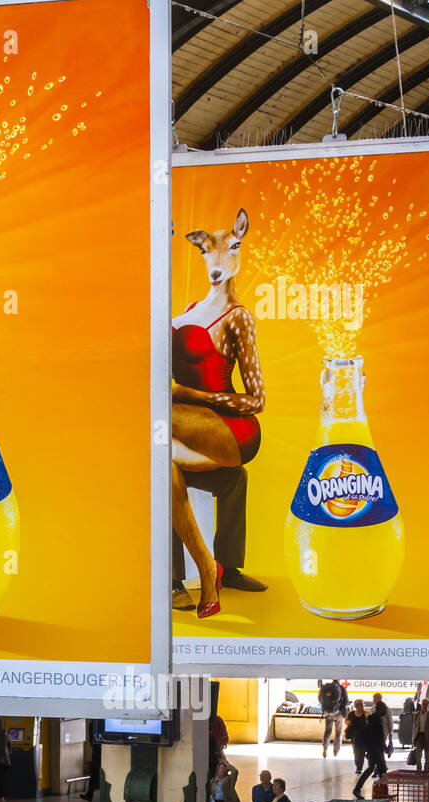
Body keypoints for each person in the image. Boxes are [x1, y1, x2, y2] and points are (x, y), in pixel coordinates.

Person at [170, 209, 266, 619]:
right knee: (163, 471)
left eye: (229, 249)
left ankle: (208, 573)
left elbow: (257, 398)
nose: (217, 260)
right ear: (200, 250)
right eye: (209, 250)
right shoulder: (188, 309)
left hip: (229, 427)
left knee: (154, 432)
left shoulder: (239, 318)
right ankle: (207, 571)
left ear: (238, 249)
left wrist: (192, 394)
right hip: (181, 429)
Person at [170, 466, 267, 609]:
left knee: (236, 476)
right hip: (162, 464)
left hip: (190, 461)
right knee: (167, 479)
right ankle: (172, 583)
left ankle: (228, 570)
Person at [353, 702, 390, 798]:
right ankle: (384, 793)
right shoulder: (377, 721)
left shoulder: (374, 720)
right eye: (384, 709)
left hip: (373, 750)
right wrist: (384, 748)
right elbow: (377, 738)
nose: (386, 711)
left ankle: (357, 789)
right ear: (381, 710)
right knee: (382, 770)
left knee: (371, 769)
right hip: (376, 751)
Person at [319, 679, 348, 757]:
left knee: (328, 731)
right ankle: (336, 751)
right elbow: (346, 702)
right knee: (338, 732)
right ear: (338, 680)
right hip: (338, 714)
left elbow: (320, 700)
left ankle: (325, 749)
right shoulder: (342, 688)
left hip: (328, 713)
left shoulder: (326, 687)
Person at [345, 700, 370, 774]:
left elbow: (370, 723)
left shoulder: (366, 714)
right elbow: (346, 720)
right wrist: (348, 722)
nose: (362, 706)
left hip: (364, 736)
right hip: (354, 736)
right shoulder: (351, 714)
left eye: (362, 705)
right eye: (360, 705)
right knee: (356, 752)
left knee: (361, 752)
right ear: (356, 706)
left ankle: (359, 768)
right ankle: (357, 765)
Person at [79, 719, 101, 801]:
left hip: (98, 749)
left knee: (94, 772)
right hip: (98, 749)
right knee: (95, 772)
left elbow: (91, 738)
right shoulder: (96, 722)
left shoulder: (95, 723)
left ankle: (90, 794)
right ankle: (90, 794)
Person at [412, 698, 429, 772]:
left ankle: (426, 773)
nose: (424, 705)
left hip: (428, 738)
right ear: (421, 704)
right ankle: (419, 772)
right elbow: (415, 727)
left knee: (428, 757)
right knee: (418, 756)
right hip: (419, 737)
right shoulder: (417, 715)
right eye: (423, 704)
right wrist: (413, 738)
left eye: (426, 704)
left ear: (428, 705)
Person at [372, 693, 394, 758]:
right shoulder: (373, 708)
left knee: (379, 747)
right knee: (378, 747)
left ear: (379, 699)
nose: (373, 700)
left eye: (375, 698)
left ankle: (380, 761)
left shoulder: (386, 709)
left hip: (383, 731)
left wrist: (390, 733)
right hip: (376, 731)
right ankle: (379, 761)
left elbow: (390, 721)